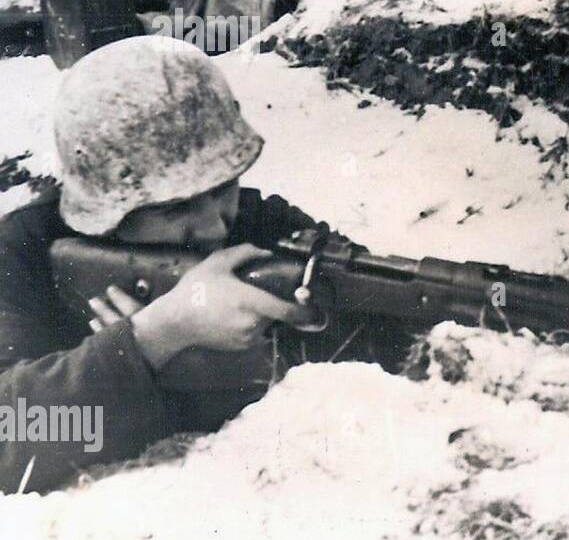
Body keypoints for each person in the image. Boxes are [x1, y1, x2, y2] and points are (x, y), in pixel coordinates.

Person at [0, 36, 394, 494]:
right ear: (109, 208)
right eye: (175, 208)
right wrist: (154, 338)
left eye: (223, 187)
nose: (212, 227)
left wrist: (288, 344)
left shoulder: (264, 227)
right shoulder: (20, 256)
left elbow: (391, 338)